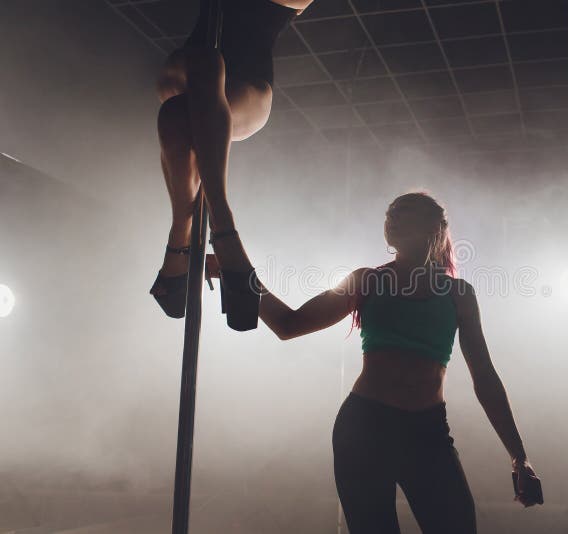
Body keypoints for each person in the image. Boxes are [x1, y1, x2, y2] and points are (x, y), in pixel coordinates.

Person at [205, 191, 542, 533]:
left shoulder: (459, 295)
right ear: (389, 233)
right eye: (393, 218)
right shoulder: (367, 281)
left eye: (405, 216)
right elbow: (289, 324)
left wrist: (519, 456)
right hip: (366, 427)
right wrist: (236, 275)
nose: (396, 223)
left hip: (427, 432)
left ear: (436, 229)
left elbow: (485, 378)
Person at [149, 0, 314, 330]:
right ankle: (223, 230)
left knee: (174, 114)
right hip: (188, 69)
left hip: (245, 90)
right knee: (206, 61)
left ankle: (181, 232)